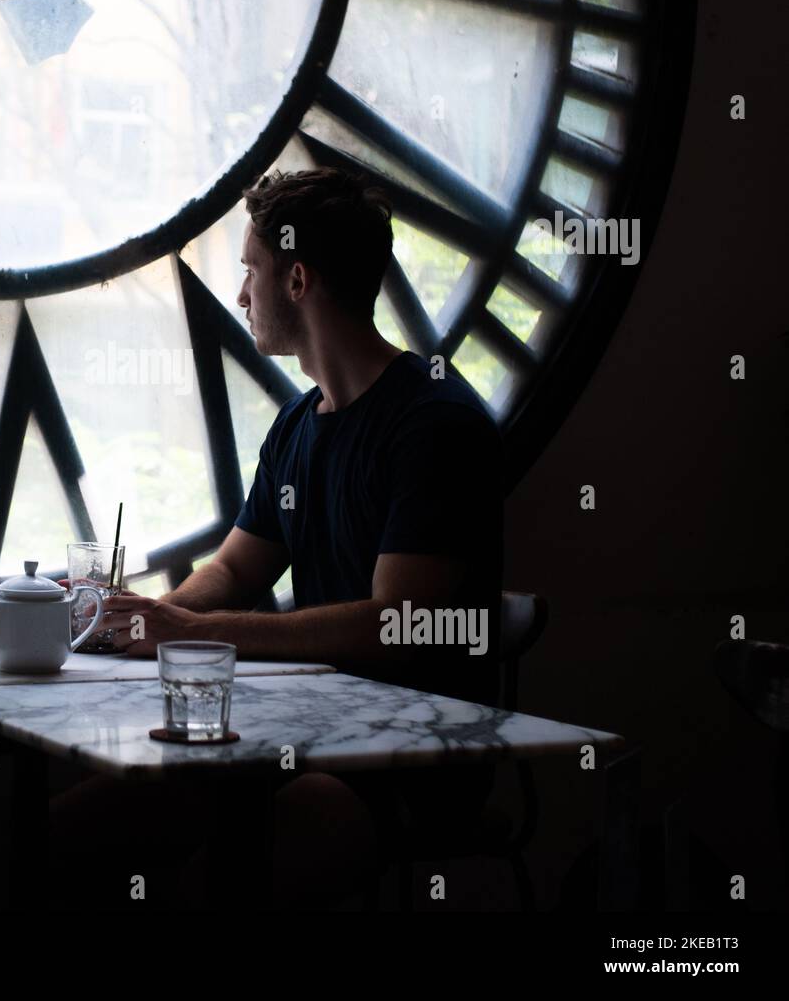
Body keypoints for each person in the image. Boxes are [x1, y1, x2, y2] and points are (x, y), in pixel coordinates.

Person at [53, 166, 505, 906]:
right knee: (67, 833)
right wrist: (139, 618)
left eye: (249, 272)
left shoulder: (436, 423)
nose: (240, 296)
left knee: (241, 852)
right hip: (306, 742)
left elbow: (398, 626)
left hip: (411, 761)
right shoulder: (299, 425)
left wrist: (191, 630)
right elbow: (233, 571)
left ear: (297, 279)